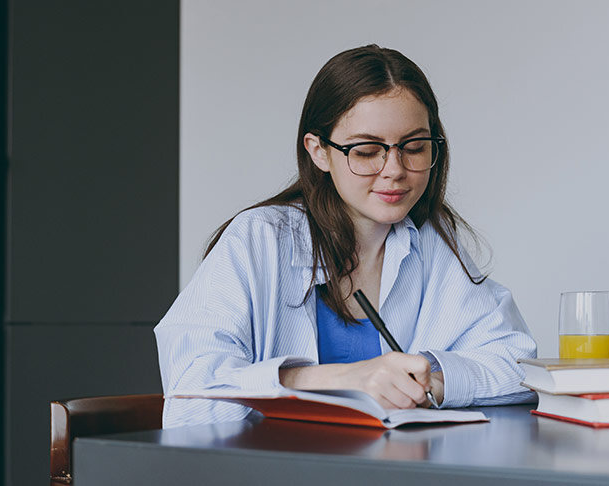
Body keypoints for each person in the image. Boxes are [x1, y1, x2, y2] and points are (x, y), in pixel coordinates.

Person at [155, 44, 537, 428]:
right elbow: (190, 394)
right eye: (368, 151)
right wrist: (340, 380)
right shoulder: (259, 239)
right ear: (319, 151)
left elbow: (519, 364)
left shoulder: (430, 241)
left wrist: (431, 384)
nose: (395, 170)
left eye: (415, 147)